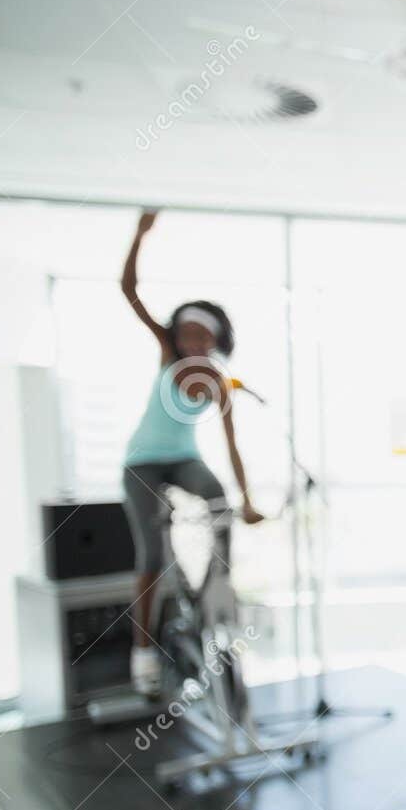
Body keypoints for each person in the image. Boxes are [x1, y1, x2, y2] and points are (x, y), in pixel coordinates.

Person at [119, 209, 261, 695]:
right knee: (151, 555)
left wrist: (248, 501)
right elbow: (129, 291)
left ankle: (217, 586)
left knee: (216, 495)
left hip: (183, 459)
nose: (191, 340)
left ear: (214, 340)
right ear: (177, 336)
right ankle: (142, 653)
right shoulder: (166, 354)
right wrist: (140, 235)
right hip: (142, 461)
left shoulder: (219, 384)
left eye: (201, 335)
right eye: (185, 333)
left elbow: (233, 447)